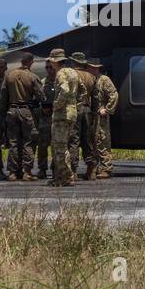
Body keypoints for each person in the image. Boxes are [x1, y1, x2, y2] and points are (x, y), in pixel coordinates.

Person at [1, 52, 44, 181]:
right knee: (28, 142)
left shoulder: (9, 75)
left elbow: (3, 96)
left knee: (13, 143)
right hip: (26, 111)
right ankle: (27, 172)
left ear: (21, 61)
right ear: (31, 62)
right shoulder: (32, 76)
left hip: (12, 110)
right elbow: (41, 95)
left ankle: (13, 173)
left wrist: (5, 112)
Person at [46, 49, 81, 187]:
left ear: (55, 61)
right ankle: (61, 177)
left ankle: (66, 177)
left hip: (62, 114)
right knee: (63, 145)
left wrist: (57, 104)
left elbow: (65, 90)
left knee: (59, 147)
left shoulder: (60, 73)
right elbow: (82, 90)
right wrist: (75, 103)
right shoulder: (73, 72)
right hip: (72, 113)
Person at [70, 51, 96, 179]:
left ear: (74, 62)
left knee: (74, 140)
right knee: (87, 140)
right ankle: (91, 169)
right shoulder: (91, 76)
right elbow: (95, 98)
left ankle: (73, 171)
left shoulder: (71, 75)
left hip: (74, 109)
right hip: (87, 109)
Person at [90, 58, 118, 179]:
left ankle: (107, 168)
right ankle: (97, 167)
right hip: (92, 116)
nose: (89, 69)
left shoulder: (104, 79)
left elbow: (114, 94)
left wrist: (107, 109)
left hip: (101, 117)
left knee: (103, 141)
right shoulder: (91, 80)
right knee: (94, 142)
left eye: (91, 67)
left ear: (96, 68)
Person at [35, 59, 58, 180]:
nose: (49, 70)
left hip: (57, 120)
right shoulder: (43, 83)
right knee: (42, 146)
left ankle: (56, 169)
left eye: (51, 67)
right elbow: (38, 99)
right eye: (47, 67)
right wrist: (42, 109)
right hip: (45, 119)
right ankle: (42, 169)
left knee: (56, 146)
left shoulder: (60, 82)